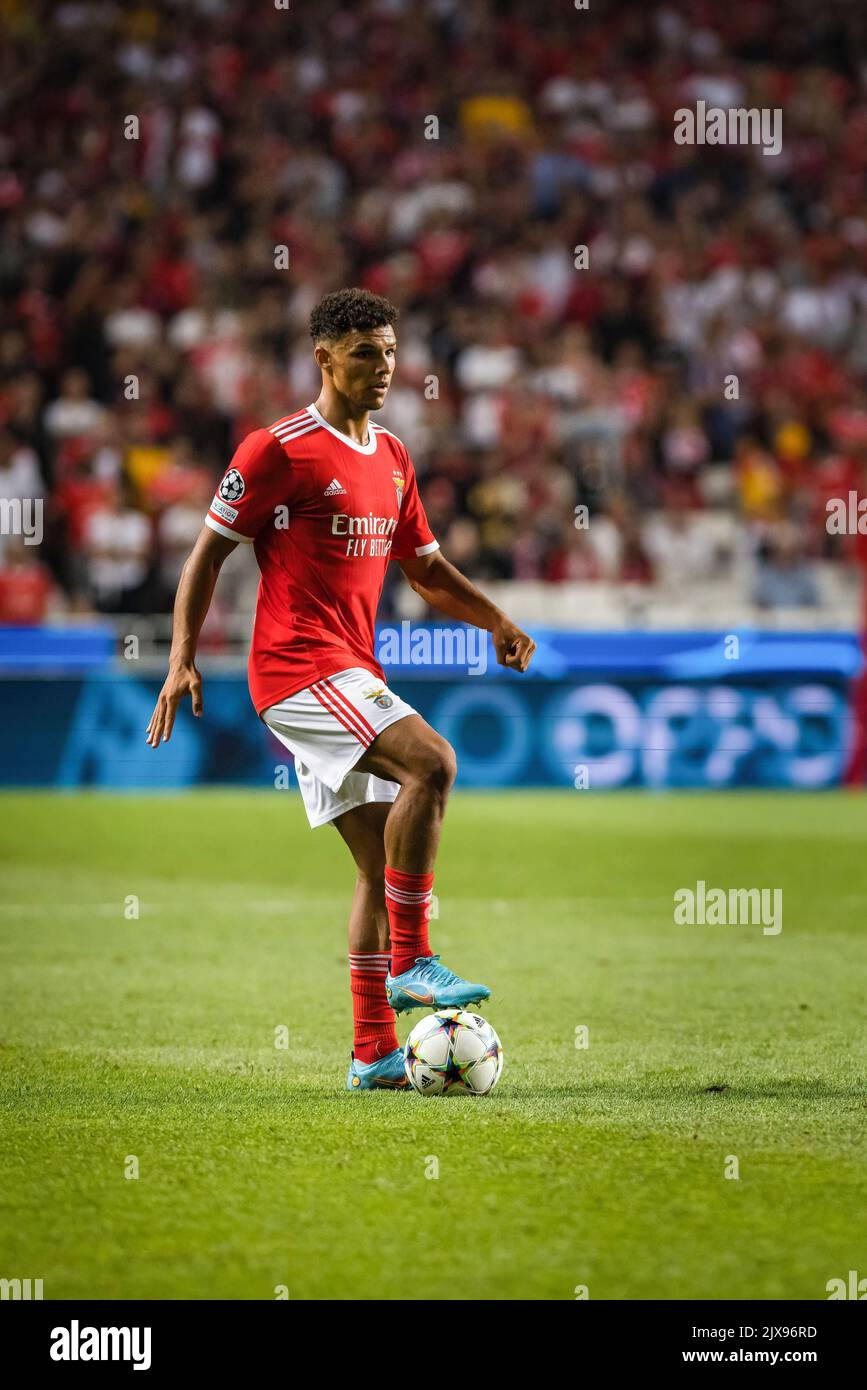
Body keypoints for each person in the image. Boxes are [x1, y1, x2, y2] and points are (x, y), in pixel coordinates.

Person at [146, 288, 536, 1090]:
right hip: (296, 667)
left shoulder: (392, 456)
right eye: (365, 351)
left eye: (390, 351)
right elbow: (207, 554)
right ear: (323, 357)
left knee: (373, 864)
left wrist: (493, 619)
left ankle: (371, 1055)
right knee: (431, 763)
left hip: (350, 667)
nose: (384, 366)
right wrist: (183, 653)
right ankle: (414, 959)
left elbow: (423, 568)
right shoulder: (276, 450)